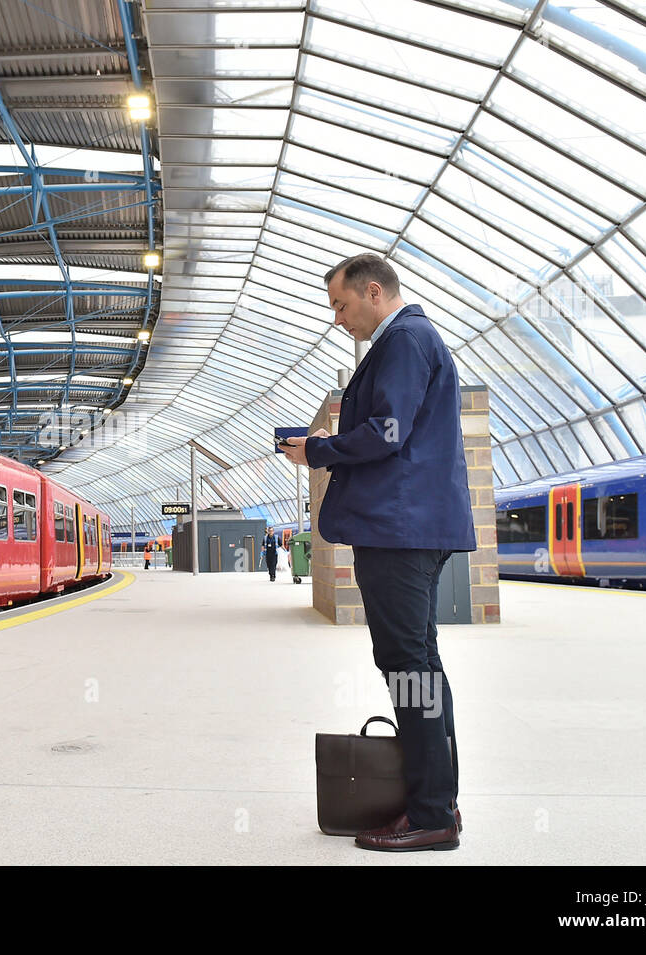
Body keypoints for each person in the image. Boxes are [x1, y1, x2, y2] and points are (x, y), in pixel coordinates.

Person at [282, 253, 475, 852]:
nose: (339, 320)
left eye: (342, 306)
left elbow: (387, 433)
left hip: (399, 530)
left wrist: (319, 450)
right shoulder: (414, 341)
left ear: (374, 291)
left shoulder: (405, 341)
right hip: (414, 528)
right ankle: (438, 800)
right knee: (421, 665)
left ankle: (430, 816)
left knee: (407, 666)